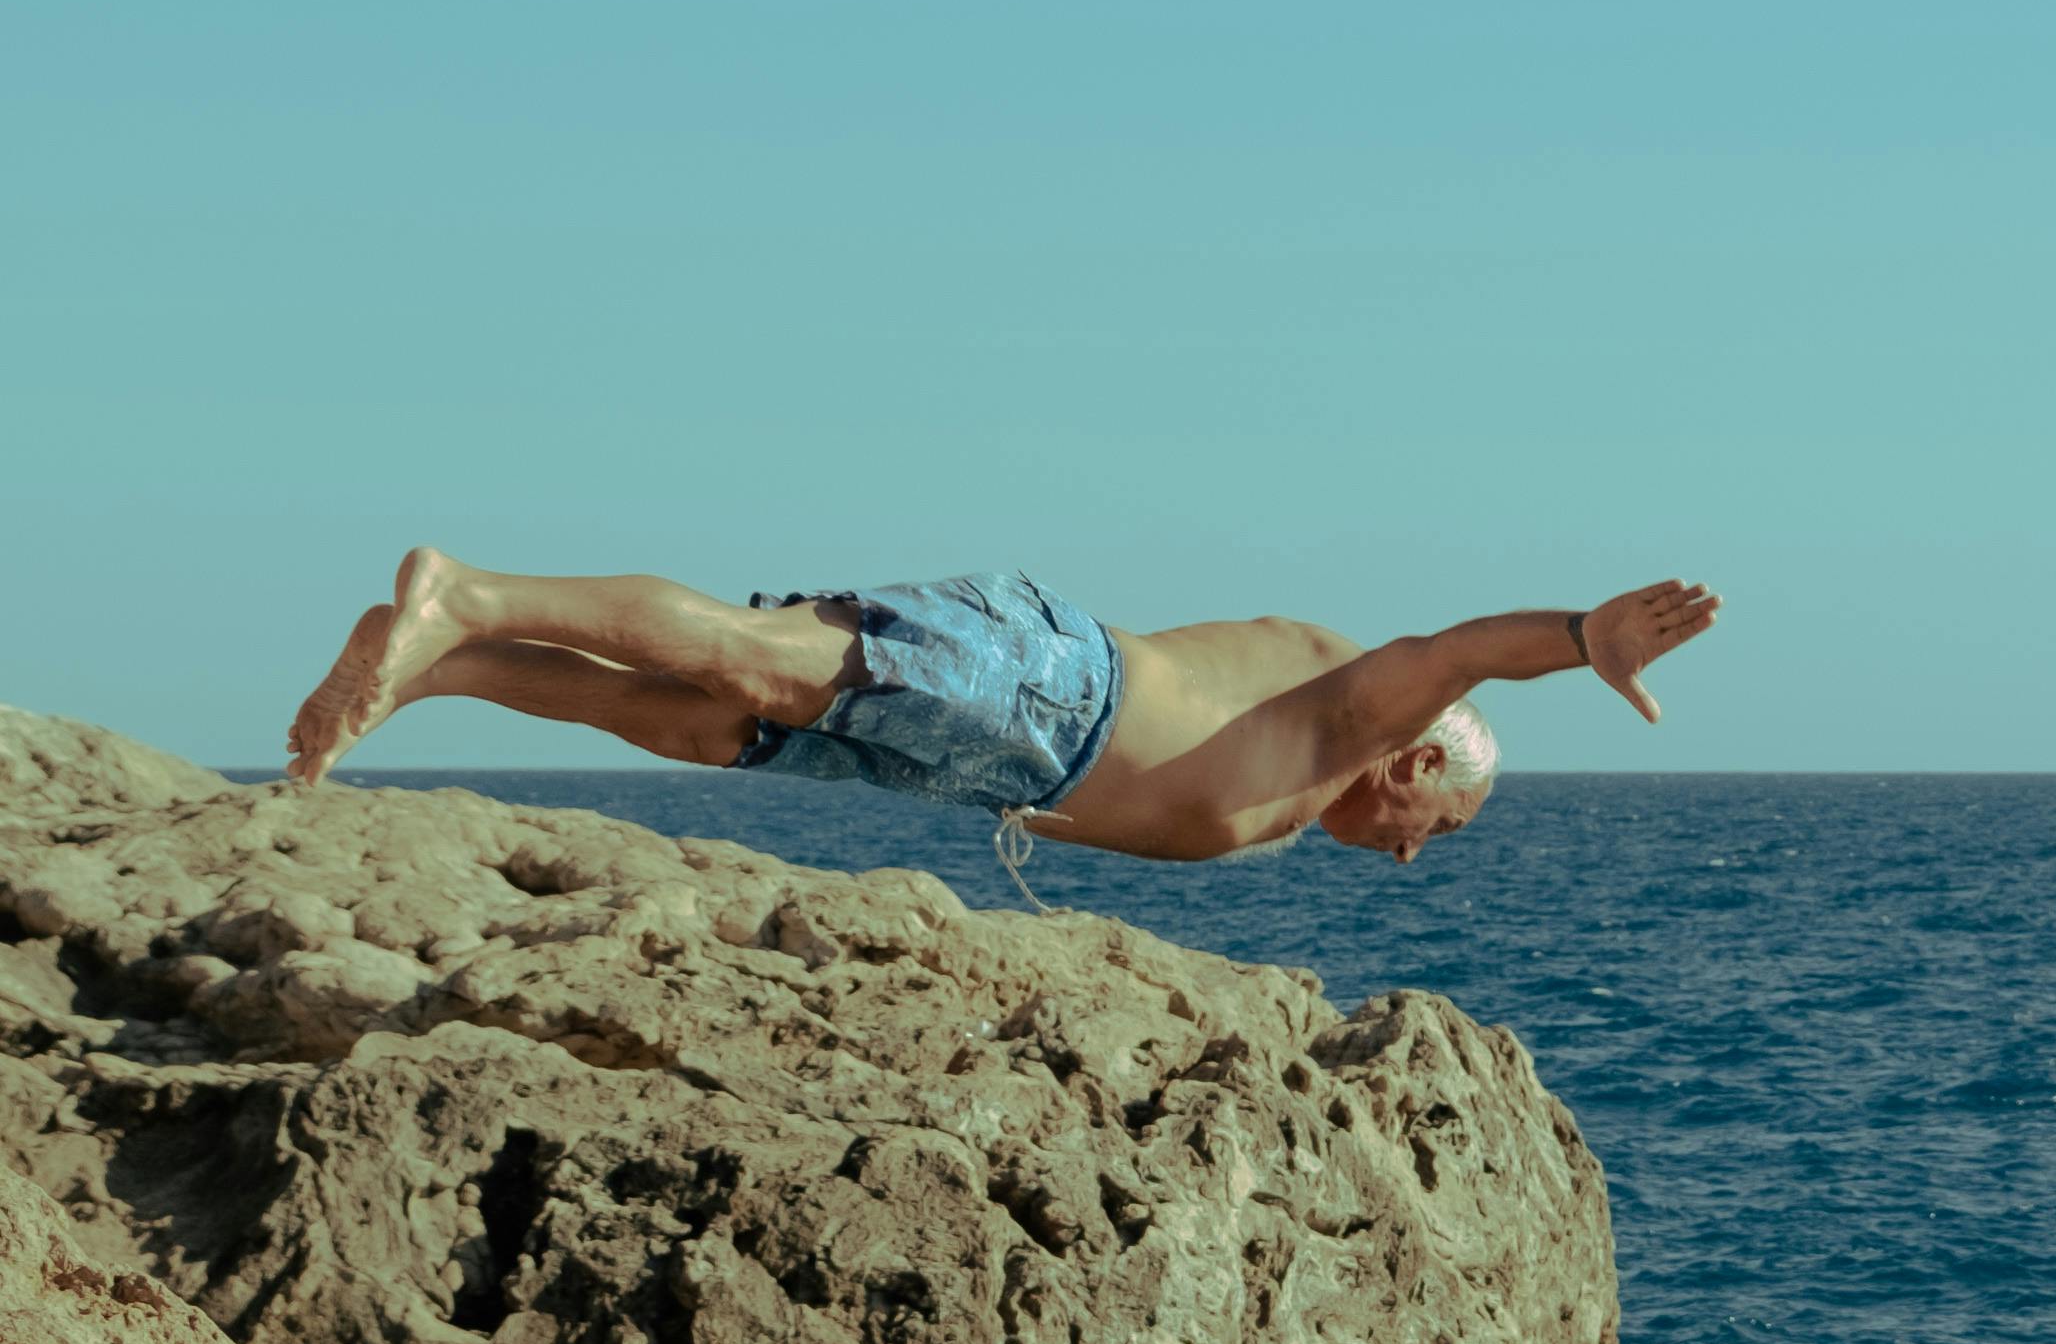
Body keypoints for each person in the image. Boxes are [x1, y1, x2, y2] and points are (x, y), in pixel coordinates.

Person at [284, 550, 1720, 865]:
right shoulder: (1358, 715)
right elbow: (1459, 648)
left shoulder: (1304, 787)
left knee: (698, 725)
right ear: (1418, 764)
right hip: (1045, 695)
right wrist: (1581, 638)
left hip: (993, 764)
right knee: (748, 661)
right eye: (1438, 824)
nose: (1412, 850)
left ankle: (438, 665)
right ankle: (470, 595)